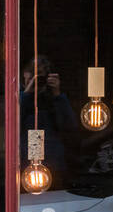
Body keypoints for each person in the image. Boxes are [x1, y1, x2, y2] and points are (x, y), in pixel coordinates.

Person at [19, 55, 76, 189]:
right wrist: (27, 94)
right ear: (25, 75)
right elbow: (10, 124)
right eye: (34, 75)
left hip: (53, 164)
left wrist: (57, 94)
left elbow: (70, 126)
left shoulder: (54, 99)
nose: (38, 80)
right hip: (24, 163)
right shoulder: (18, 97)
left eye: (42, 77)